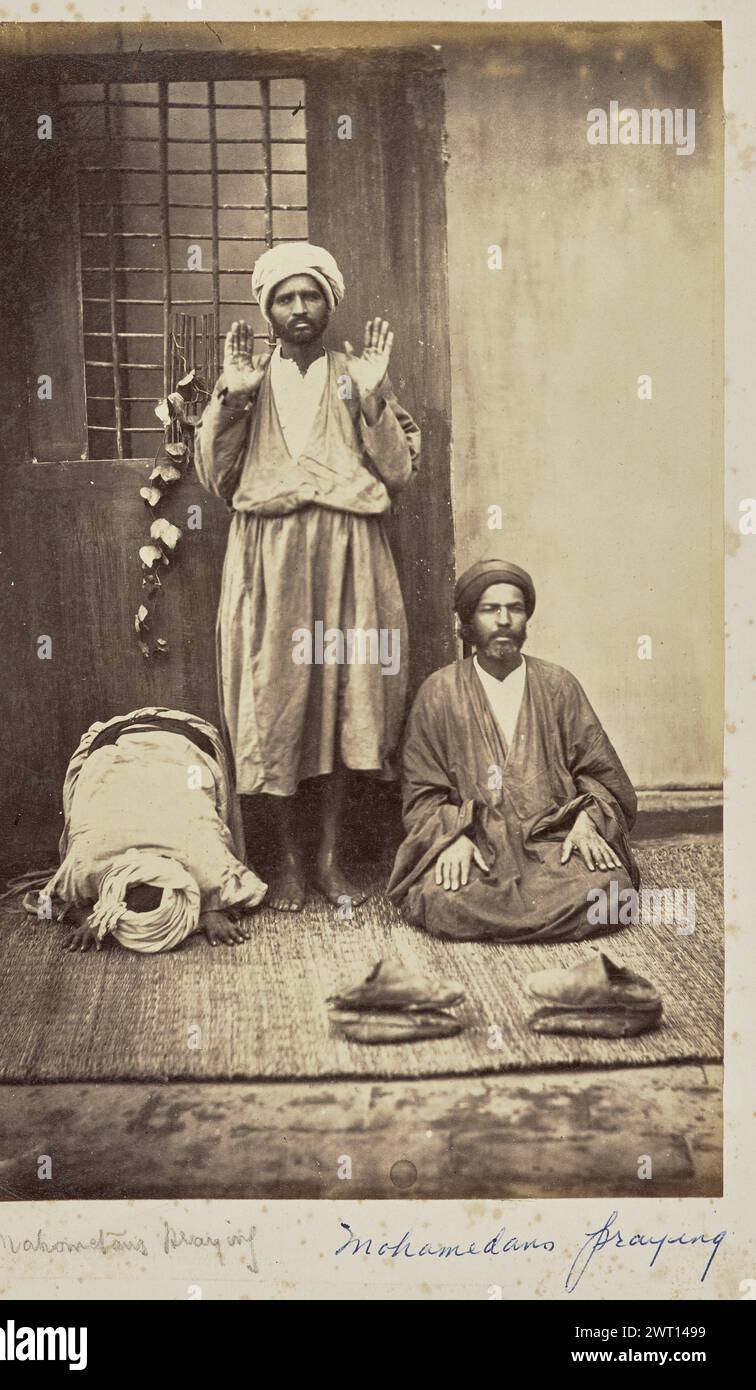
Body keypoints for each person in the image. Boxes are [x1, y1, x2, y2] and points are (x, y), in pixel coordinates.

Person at [195, 241, 420, 912]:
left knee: (346, 701)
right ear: (267, 310)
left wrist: (375, 400)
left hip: (350, 558)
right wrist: (231, 402)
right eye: (286, 298)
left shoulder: (356, 375)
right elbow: (219, 478)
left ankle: (329, 860)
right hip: (270, 562)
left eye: (311, 295)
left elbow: (399, 472)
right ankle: (287, 863)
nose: (299, 308)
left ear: (329, 303)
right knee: (280, 704)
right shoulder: (248, 379)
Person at [387, 559, 640, 941]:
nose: (504, 619)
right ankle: (530, 916)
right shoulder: (438, 692)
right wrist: (451, 838)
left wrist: (588, 822)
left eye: (515, 608)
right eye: (490, 609)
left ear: (526, 618)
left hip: (553, 842)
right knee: (441, 897)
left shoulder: (558, 684)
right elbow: (422, 792)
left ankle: (507, 919)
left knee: (612, 890)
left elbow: (600, 773)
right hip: (477, 844)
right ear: (468, 620)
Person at [36, 708, 267, 952]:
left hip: (163, 741)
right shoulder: (84, 866)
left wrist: (214, 909)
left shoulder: (85, 866)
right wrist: (216, 911)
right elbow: (43, 904)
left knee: (198, 792)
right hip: (153, 742)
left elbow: (45, 903)